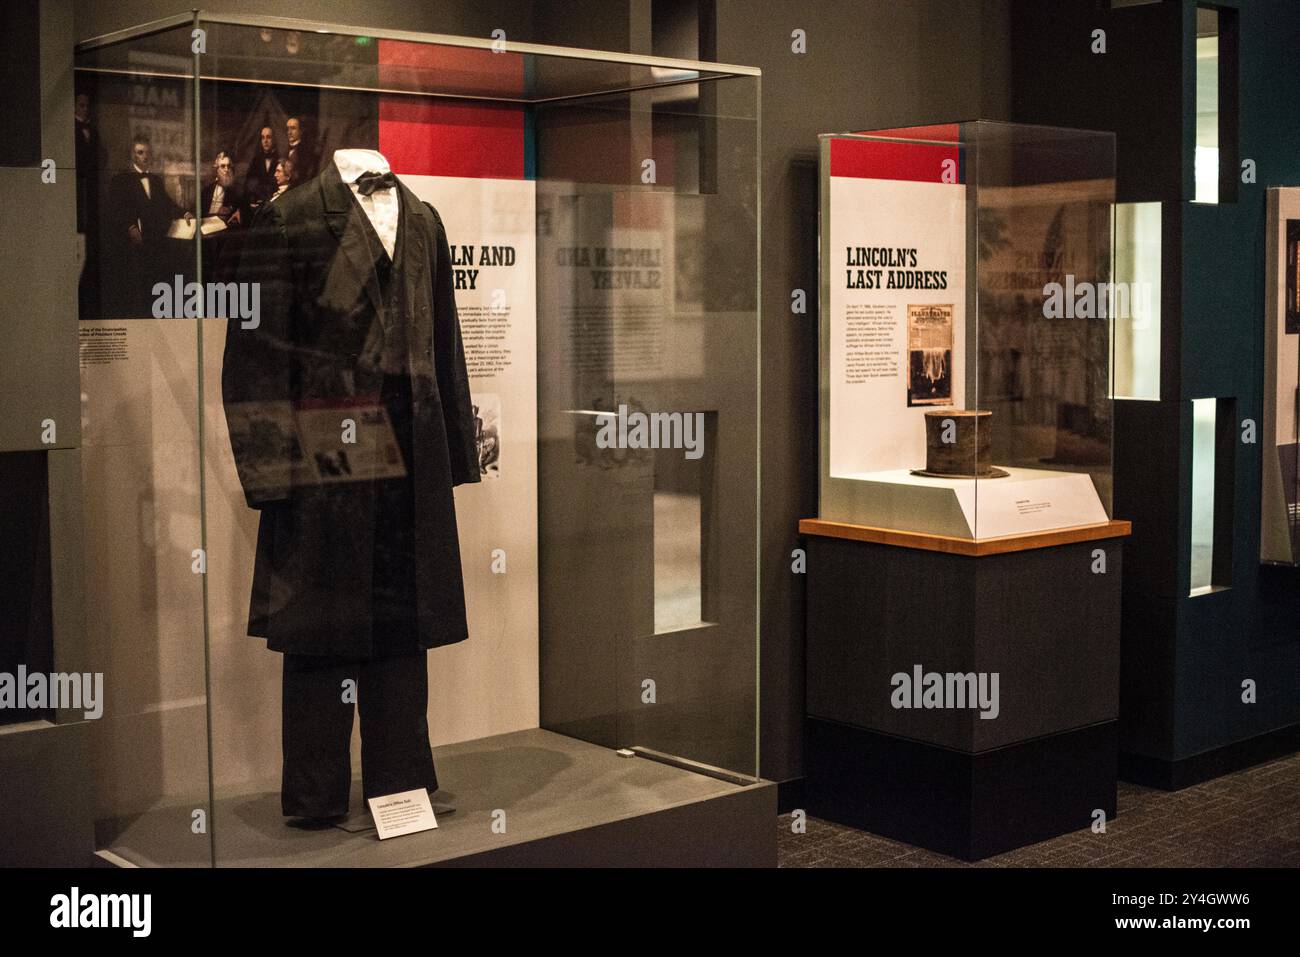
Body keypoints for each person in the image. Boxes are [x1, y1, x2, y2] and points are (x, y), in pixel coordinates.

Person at [107, 136, 185, 315]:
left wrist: (184, 213)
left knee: (156, 283)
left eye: (147, 153)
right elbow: (117, 210)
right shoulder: (121, 180)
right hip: (133, 243)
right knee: (136, 287)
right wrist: (130, 227)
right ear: (132, 155)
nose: (145, 156)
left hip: (155, 241)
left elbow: (167, 203)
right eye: (140, 152)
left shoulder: (156, 180)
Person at [242, 125, 279, 213]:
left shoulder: (280, 160)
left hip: (273, 205)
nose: (265, 141)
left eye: (268, 137)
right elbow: (248, 184)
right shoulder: (255, 160)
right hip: (256, 204)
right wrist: (251, 201)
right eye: (263, 138)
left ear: (274, 140)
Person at [200, 151, 243, 225]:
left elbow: (243, 206)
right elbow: (196, 209)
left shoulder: (236, 189)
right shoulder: (207, 189)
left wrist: (237, 211)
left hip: (223, 225)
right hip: (205, 223)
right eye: (223, 166)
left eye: (229, 166)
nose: (226, 170)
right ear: (217, 170)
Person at [284, 116, 317, 183]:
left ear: (301, 131)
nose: (289, 132)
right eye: (288, 129)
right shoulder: (284, 151)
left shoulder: (306, 152)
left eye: (293, 128)